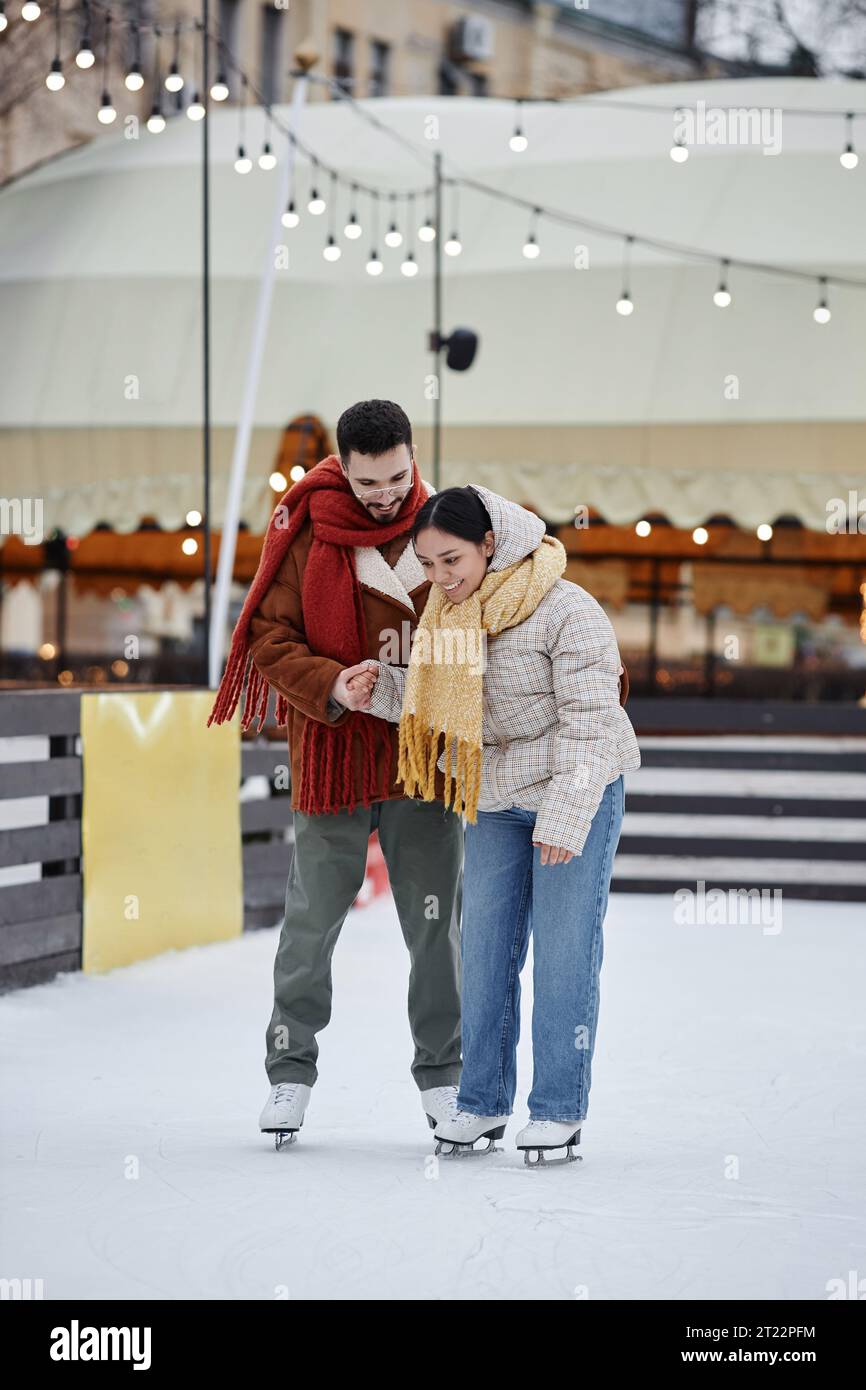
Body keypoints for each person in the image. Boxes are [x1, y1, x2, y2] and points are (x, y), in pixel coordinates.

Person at [359, 485, 641, 1165]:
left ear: (491, 544)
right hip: (494, 796)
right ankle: (481, 1103)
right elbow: (443, 701)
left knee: (566, 954)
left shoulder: (567, 609)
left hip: (576, 787)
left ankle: (558, 1111)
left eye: (450, 559)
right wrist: (383, 686)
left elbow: (593, 723)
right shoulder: (446, 615)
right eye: (426, 564)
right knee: (484, 953)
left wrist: (567, 815)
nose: (439, 577)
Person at [208, 401, 463, 1147]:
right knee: (312, 922)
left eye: (396, 477)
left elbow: (481, 619)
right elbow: (267, 635)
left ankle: (444, 1079)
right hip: (332, 753)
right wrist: (329, 682)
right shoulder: (306, 530)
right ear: (341, 467)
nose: (384, 494)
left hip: (422, 761)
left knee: (436, 928)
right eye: (368, 481)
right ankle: (289, 1074)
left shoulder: (444, 526)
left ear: (413, 457)